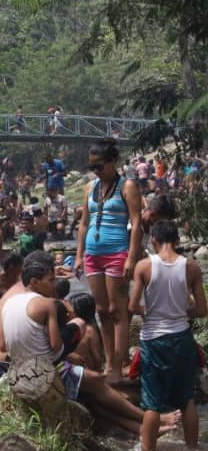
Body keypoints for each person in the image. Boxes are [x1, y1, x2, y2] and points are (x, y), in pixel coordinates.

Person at [0, 260, 172, 436]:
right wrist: (73, 328)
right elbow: (56, 346)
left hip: (20, 369)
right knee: (97, 381)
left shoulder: (9, 303)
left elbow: (3, 346)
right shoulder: (46, 303)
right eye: (50, 280)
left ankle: (143, 429)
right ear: (34, 282)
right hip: (44, 370)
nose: (54, 285)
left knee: (91, 397)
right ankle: (150, 420)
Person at [129, 220, 207, 451]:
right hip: (181, 338)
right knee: (187, 398)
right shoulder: (191, 267)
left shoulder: (143, 266)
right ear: (177, 240)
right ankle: (193, 450)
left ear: (153, 240)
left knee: (152, 403)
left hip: (153, 339)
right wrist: (183, 311)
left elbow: (133, 307)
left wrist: (150, 311)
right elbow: (202, 310)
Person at [74, 139, 142, 383]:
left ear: (112, 162)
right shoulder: (89, 188)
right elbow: (83, 224)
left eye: (100, 166)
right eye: (92, 167)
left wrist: (132, 257)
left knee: (117, 311)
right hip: (93, 254)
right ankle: (109, 361)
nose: (96, 171)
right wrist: (79, 255)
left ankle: (117, 365)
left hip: (118, 252)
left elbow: (136, 225)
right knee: (101, 310)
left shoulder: (128, 186)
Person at [68, 293, 104, 372]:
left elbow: (97, 358)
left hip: (87, 371)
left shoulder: (89, 330)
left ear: (78, 311)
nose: (68, 313)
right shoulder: (87, 328)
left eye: (70, 310)